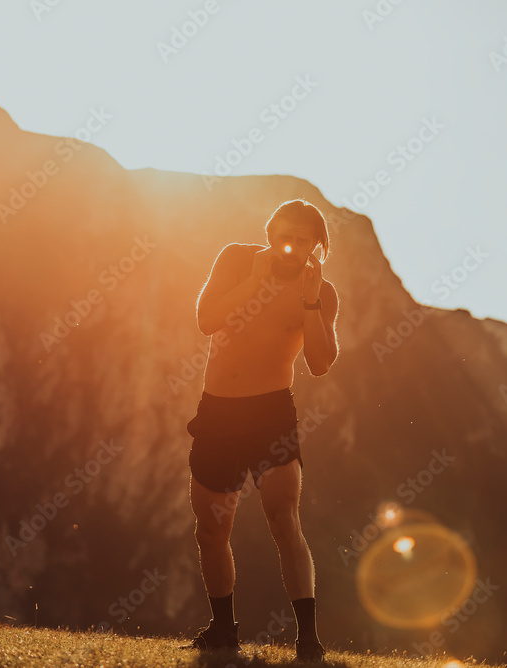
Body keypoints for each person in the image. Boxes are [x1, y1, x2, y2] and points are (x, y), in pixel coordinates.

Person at [182, 199, 339, 662]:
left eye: (303, 239)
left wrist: (310, 301)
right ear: (270, 231)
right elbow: (207, 319)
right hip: (218, 412)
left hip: (271, 412)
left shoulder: (322, 291)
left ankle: (307, 638)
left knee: (282, 517)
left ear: (317, 246)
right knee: (211, 530)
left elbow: (321, 361)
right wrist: (253, 282)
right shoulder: (235, 259)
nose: (291, 245)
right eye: (284, 234)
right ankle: (223, 629)